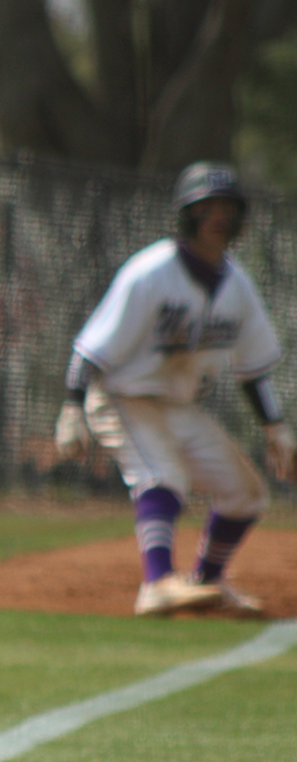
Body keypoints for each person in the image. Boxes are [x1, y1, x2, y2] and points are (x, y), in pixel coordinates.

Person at [54, 162, 295, 617]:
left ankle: (205, 584)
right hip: (123, 396)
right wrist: (71, 408)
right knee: (163, 476)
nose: (218, 217)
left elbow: (253, 366)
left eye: (226, 207)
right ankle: (157, 583)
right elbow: (91, 348)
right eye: (206, 207)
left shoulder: (237, 283)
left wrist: (275, 426)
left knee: (246, 493)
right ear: (186, 214)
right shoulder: (150, 272)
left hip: (177, 407)